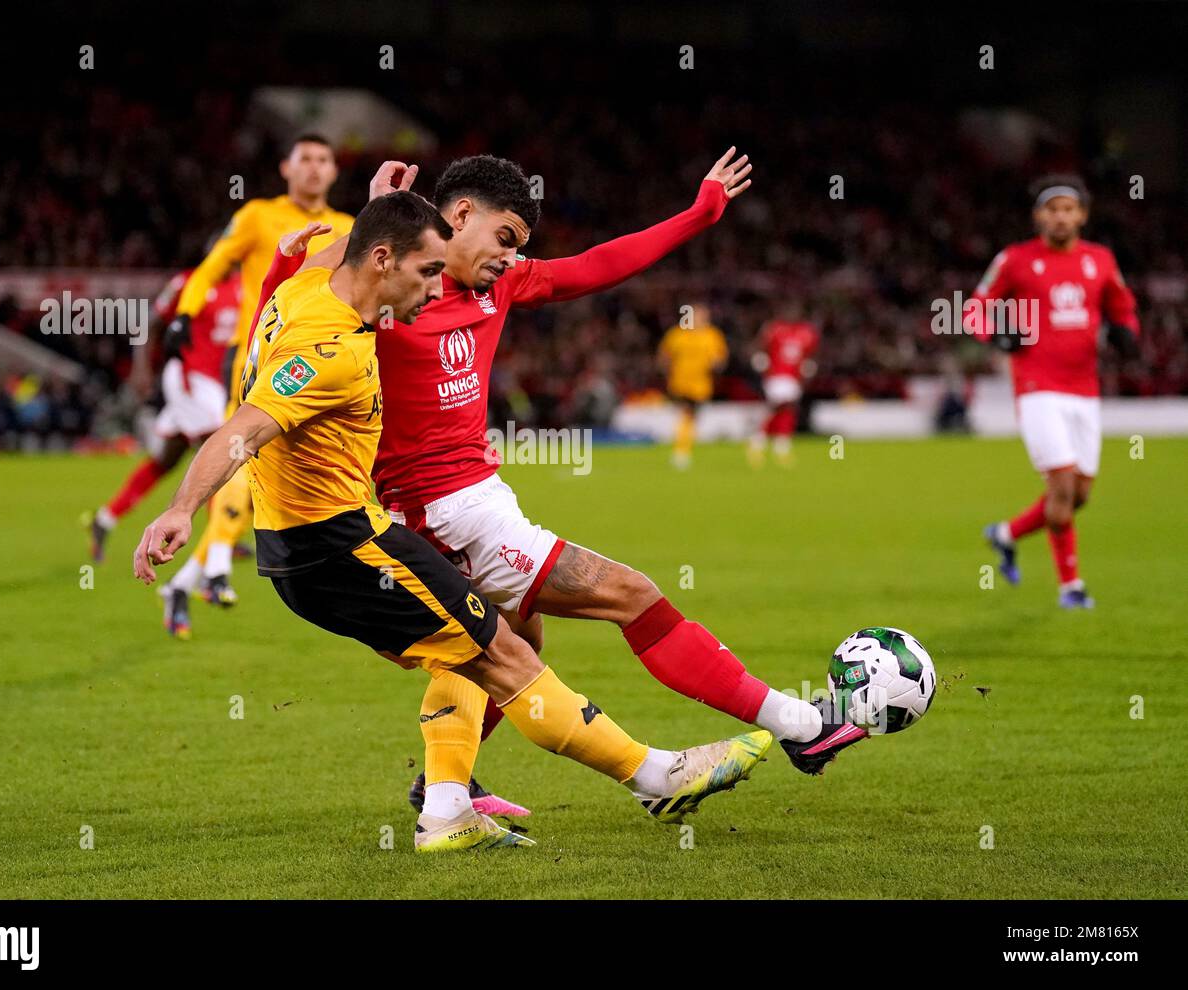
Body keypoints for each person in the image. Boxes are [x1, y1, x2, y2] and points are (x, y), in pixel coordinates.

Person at [133, 191, 773, 852]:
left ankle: (444, 810)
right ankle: (656, 775)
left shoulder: (303, 291)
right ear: (383, 261)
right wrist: (183, 507)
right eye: (426, 273)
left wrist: (375, 201)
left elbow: (310, 265)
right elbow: (243, 431)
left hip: (308, 547)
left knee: (474, 646)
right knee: (505, 653)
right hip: (343, 547)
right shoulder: (336, 352)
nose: (435, 289)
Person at [256, 152, 866, 824]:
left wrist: (697, 215)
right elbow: (306, 307)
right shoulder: (391, 296)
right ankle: (798, 725)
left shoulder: (500, 287)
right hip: (446, 511)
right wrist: (362, 217)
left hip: (471, 499)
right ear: (460, 215)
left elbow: (599, 266)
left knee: (504, 643)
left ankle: (446, 795)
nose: (509, 258)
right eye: (505, 238)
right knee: (631, 597)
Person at [104, 134, 353, 632]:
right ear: (285, 167)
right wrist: (185, 315)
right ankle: (216, 564)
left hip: (327, 366)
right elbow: (212, 266)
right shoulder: (258, 216)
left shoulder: (349, 228)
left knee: (277, 478)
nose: (313, 168)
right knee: (241, 452)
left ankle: (188, 580)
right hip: (260, 358)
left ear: (334, 171)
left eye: (323, 160)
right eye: (304, 158)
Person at [971, 175, 1140, 609]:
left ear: (1082, 215)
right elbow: (974, 308)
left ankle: (1006, 534)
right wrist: (997, 334)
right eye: (1052, 209)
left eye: (1069, 209)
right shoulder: (1016, 259)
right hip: (1037, 388)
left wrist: (1126, 332)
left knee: (1079, 496)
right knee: (1062, 486)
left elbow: (1123, 306)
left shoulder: (1100, 260)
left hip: (1084, 390)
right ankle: (1072, 588)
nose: (1060, 216)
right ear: (1038, 216)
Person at [85, 268, 240, 597]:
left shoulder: (244, 286)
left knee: (167, 460)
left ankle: (105, 518)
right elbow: (153, 322)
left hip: (214, 387)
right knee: (221, 454)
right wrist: (142, 368)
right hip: (190, 380)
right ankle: (219, 547)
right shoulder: (190, 282)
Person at [658, 303, 729, 469]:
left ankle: (682, 449)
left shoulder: (712, 335)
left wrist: (716, 365)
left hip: (701, 384)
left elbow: (720, 358)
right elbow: (664, 355)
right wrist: (666, 371)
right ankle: (681, 452)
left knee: (690, 416)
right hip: (681, 382)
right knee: (687, 413)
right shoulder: (678, 334)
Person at [749, 303, 819, 466]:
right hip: (776, 375)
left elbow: (812, 354)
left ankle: (778, 444)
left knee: (787, 410)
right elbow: (759, 347)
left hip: (794, 378)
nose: (791, 312)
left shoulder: (806, 332)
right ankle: (760, 440)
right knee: (780, 406)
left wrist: (808, 369)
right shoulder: (774, 329)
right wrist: (760, 361)